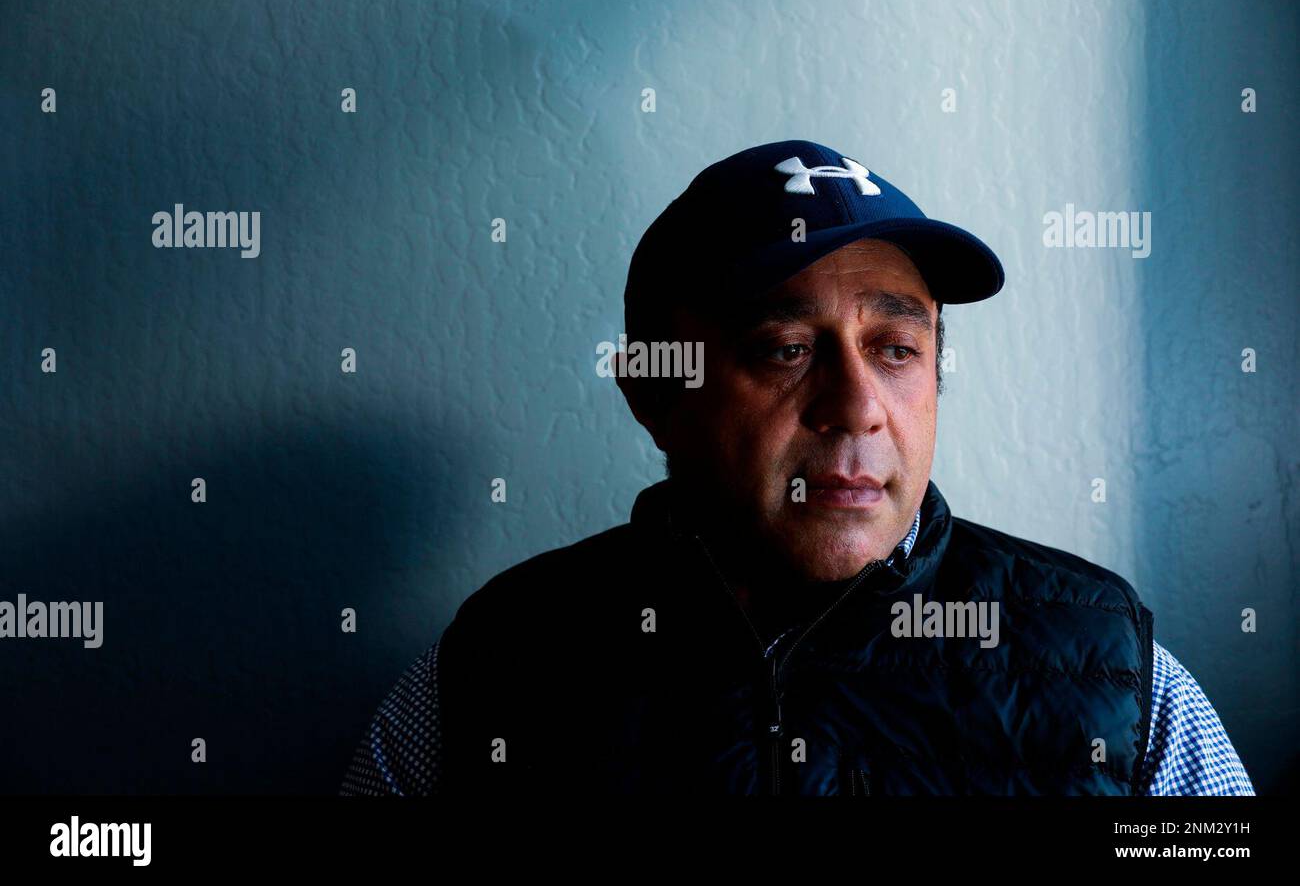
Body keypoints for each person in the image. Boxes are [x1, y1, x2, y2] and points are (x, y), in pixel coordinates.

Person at [341, 140, 1253, 795]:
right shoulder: (499, 666)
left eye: (896, 347)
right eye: (784, 348)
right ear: (656, 392)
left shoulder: (1117, 677)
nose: (857, 405)